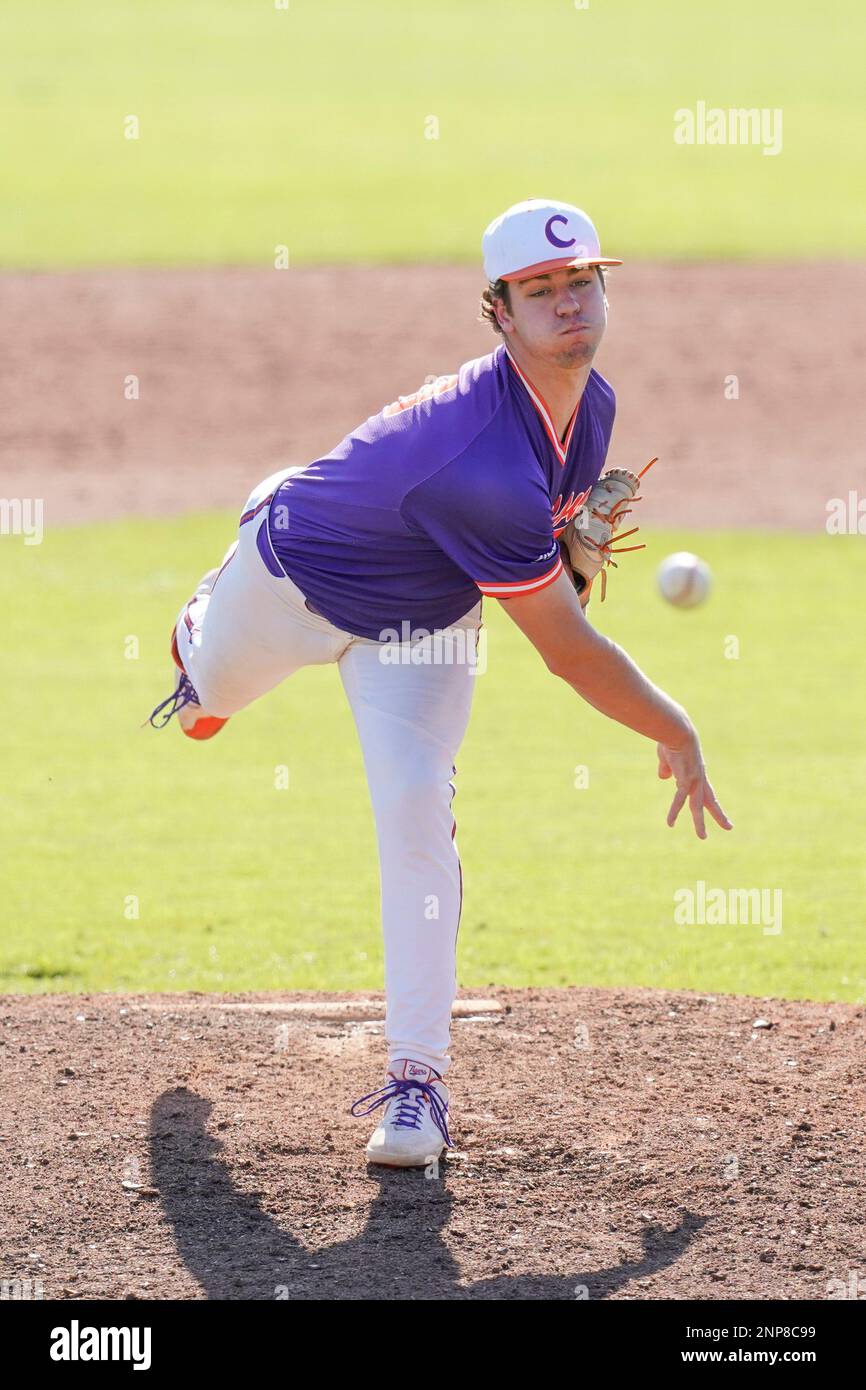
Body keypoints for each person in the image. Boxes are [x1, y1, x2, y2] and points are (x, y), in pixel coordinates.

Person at [147, 198, 732, 1169]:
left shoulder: (592, 410)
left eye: (579, 280)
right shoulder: (479, 462)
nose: (565, 301)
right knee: (204, 700)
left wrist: (569, 550)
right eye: (536, 289)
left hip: (420, 627)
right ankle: (224, 582)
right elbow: (567, 650)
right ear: (496, 312)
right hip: (291, 580)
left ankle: (415, 1084)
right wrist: (672, 724)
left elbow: (555, 579)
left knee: (415, 806)